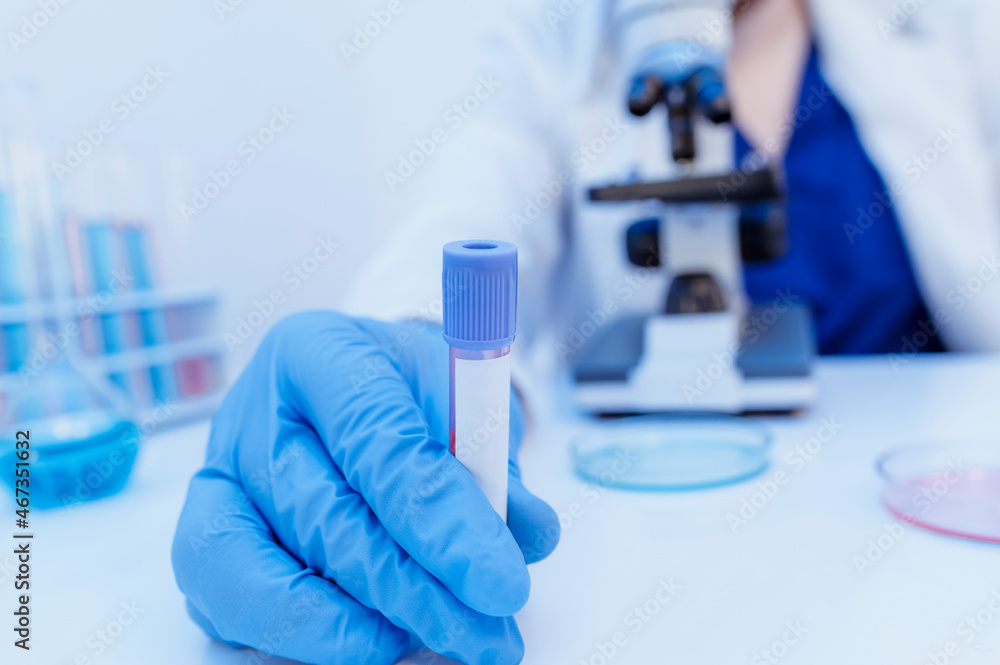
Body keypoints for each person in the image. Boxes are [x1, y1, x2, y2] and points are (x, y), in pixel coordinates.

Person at [172, 1, 1000, 664]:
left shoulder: (950, 18)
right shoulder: (558, 33)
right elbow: (473, 198)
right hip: (660, 542)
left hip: (930, 501)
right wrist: (403, 342)